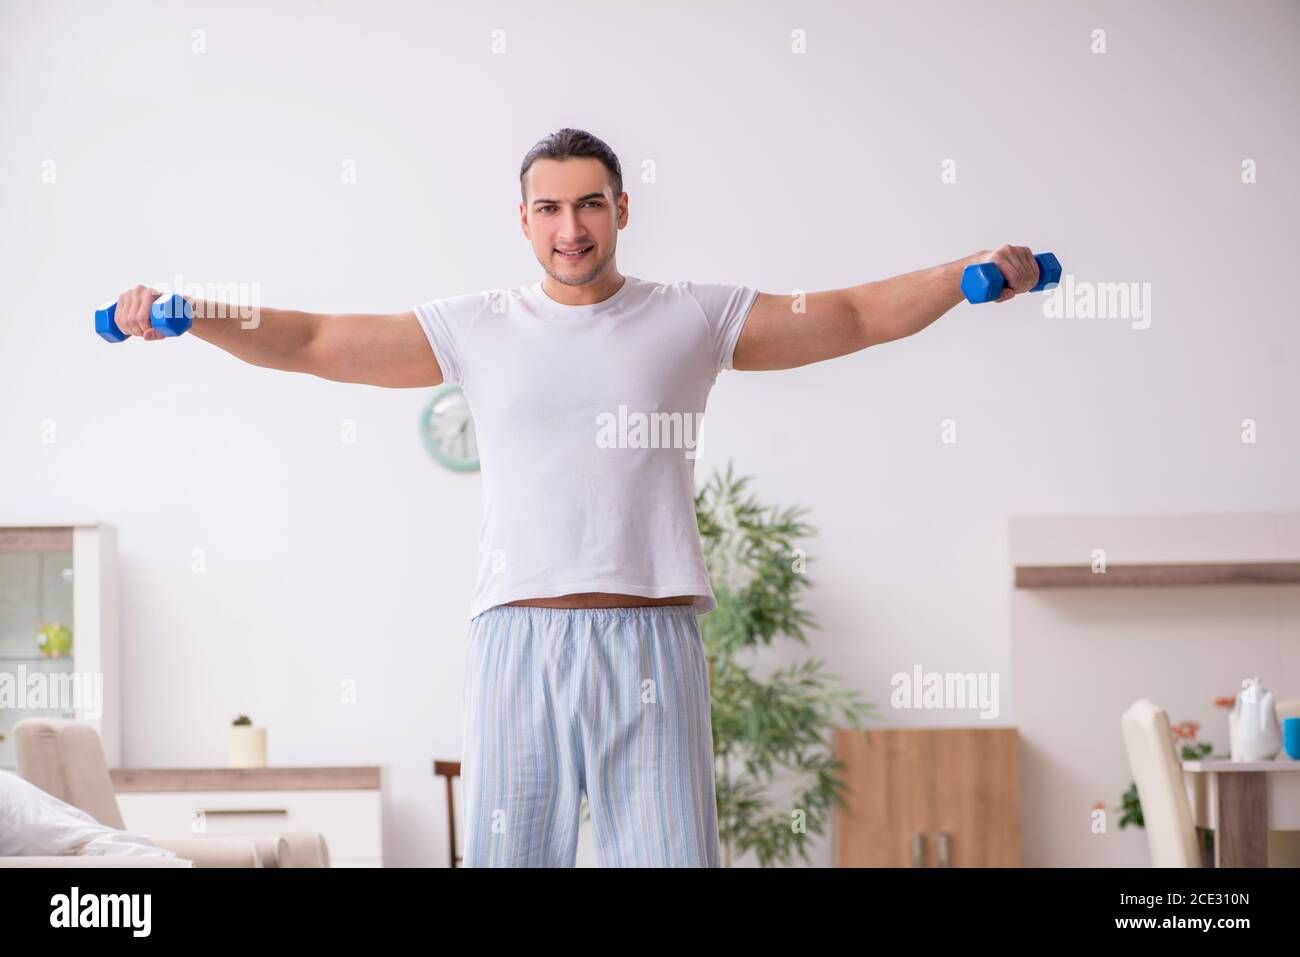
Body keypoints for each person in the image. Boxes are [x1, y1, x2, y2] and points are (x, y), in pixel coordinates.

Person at [107, 127, 1044, 867]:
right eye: (549, 208)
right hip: (517, 641)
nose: (571, 229)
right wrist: (197, 314)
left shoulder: (689, 316)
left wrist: (962, 279)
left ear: (622, 208)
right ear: (522, 221)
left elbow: (845, 315)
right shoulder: (478, 327)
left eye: (589, 204)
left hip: (653, 639)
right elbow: (313, 339)